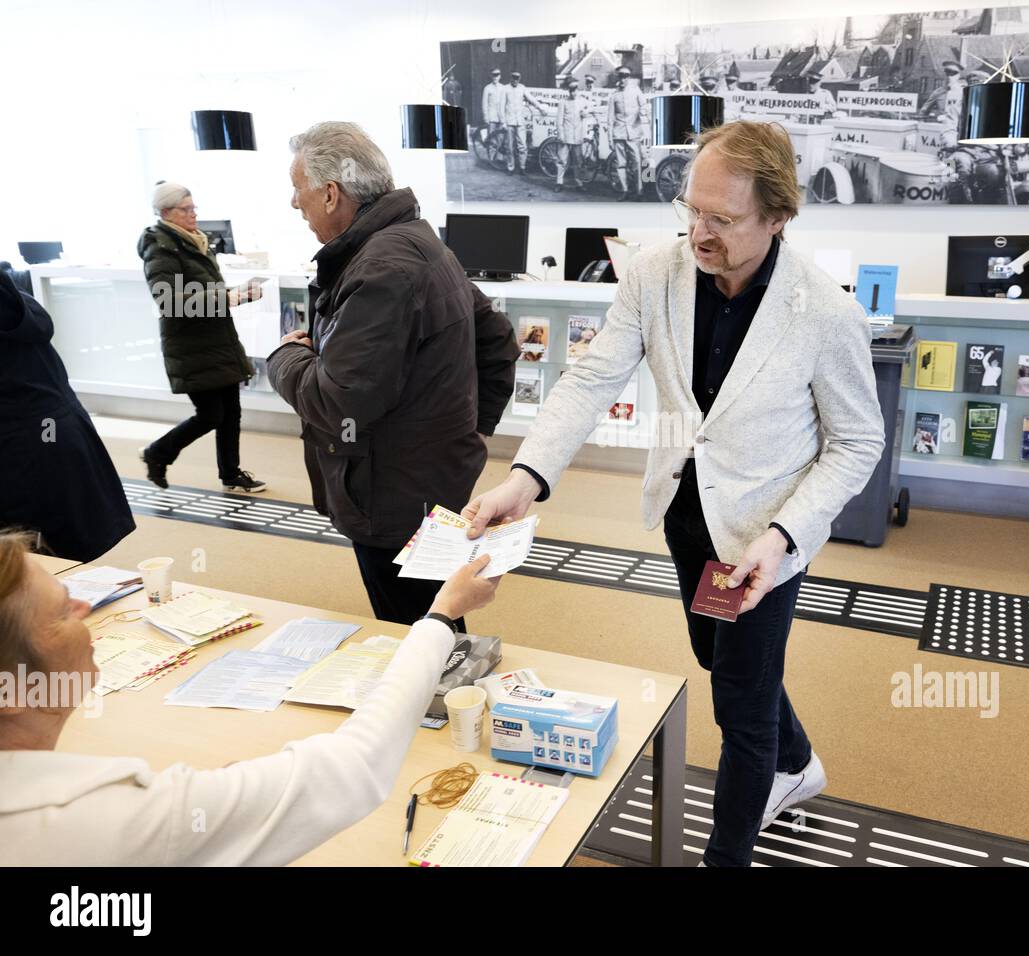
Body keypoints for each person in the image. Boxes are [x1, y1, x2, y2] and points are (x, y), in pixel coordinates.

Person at [463, 120, 885, 867]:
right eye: (691, 209)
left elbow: (858, 443)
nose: (699, 231)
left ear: (778, 217)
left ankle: (732, 845)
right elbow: (594, 377)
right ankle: (798, 761)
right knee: (716, 655)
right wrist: (525, 477)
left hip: (761, 537)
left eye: (721, 219)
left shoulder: (824, 312)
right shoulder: (655, 272)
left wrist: (784, 538)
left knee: (739, 707)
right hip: (686, 514)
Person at [0, 532, 500, 865]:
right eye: (63, 611)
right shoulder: (105, 819)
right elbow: (354, 766)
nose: (86, 606)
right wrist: (441, 615)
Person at [269, 122, 518, 626]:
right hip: (425, 477)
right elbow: (498, 343)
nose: (295, 203)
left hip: (389, 491)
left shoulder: (380, 266)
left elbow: (340, 399)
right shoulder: (417, 244)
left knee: (415, 627)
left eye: (299, 190)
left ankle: (432, 705)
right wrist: (469, 433)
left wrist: (283, 358)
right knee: (438, 614)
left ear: (331, 193)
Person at [137, 182, 266, 493]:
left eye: (194, 208)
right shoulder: (161, 246)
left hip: (217, 337)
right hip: (190, 343)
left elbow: (207, 291)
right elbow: (168, 299)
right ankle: (158, 453)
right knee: (211, 414)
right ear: (166, 213)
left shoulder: (196, 242)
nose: (194, 214)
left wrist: (239, 296)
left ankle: (231, 473)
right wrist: (226, 298)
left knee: (230, 413)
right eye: (186, 209)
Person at [0, 272, 135, 561]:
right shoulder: (15, 301)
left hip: (21, 447)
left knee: (26, 564)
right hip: (57, 433)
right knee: (53, 557)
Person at [608, 66, 648, 200]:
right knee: (621, 163)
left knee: (637, 161)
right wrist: (609, 138)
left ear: (629, 78)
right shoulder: (614, 95)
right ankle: (624, 190)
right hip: (618, 133)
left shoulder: (636, 91)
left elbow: (644, 105)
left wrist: (641, 114)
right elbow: (610, 118)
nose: (623, 79)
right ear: (618, 78)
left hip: (634, 133)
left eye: (626, 76)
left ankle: (639, 190)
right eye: (621, 76)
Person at [502, 71, 546, 174]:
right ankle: (510, 168)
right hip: (509, 121)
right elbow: (501, 106)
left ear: (519, 79)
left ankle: (522, 167)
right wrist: (503, 122)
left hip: (520, 121)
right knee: (509, 146)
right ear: (511, 78)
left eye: (517, 78)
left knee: (522, 146)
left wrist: (540, 108)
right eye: (513, 78)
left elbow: (532, 99)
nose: (515, 80)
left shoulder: (522, 88)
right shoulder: (505, 89)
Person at [554, 76, 587, 192]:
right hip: (566, 136)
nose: (573, 92)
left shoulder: (582, 101)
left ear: (578, 90)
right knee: (562, 160)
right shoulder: (563, 102)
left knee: (578, 161)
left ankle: (579, 183)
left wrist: (585, 113)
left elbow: (589, 111)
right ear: (568, 90)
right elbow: (559, 121)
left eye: (575, 89)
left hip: (577, 136)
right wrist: (561, 135)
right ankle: (559, 182)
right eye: (571, 90)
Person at [482, 67, 505, 139]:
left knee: (501, 138)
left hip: (502, 118)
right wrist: (486, 117)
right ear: (491, 76)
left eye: (497, 75)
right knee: (492, 139)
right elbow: (484, 103)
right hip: (492, 118)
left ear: (500, 76)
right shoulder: (487, 88)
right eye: (493, 75)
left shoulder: (503, 88)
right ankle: (492, 150)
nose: (495, 77)